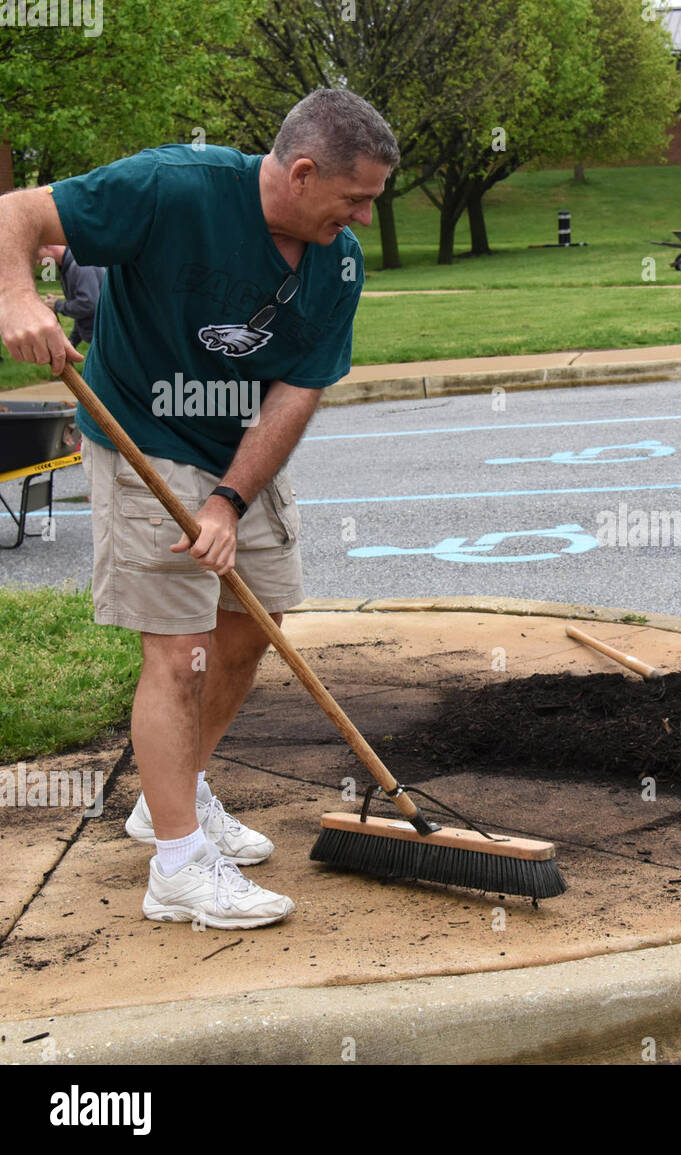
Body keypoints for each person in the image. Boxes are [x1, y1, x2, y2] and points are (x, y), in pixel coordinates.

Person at [0, 88, 398, 929]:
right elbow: (17, 212)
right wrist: (15, 298)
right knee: (178, 651)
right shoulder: (171, 187)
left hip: (239, 447)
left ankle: (170, 794)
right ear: (299, 171)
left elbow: (296, 389)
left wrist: (228, 499)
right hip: (140, 431)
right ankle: (177, 869)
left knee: (253, 628)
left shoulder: (339, 261)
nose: (364, 214)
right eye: (355, 196)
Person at [36, 242, 105, 349]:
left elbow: (88, 305)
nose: (38, 262)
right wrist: (72, 341)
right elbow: (84, 314)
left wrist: (57, 305)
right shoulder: (68, 266)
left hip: (107, 338)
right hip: (102, 338)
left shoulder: (79, 265)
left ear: (47, 246)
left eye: (37, 256)